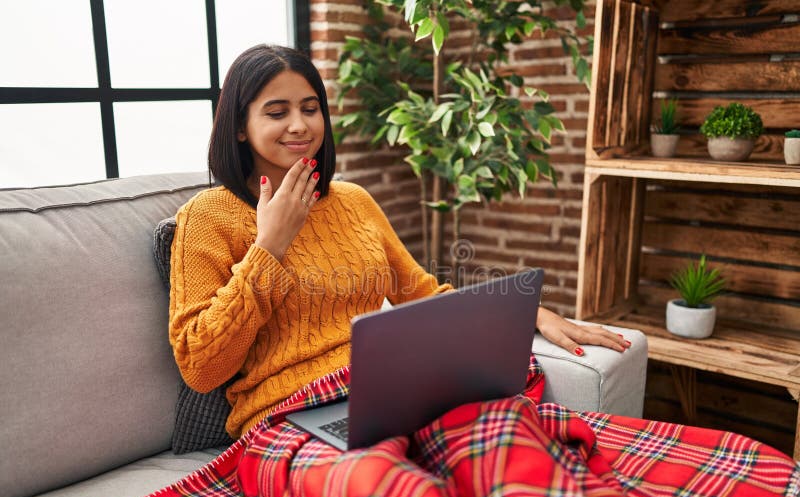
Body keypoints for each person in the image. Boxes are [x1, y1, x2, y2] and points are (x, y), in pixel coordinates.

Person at [169, 44, 630, 440]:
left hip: (385, 394)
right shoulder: (208, 217)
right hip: (287, 418)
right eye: (276, 112)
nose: (299, 125)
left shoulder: (353, 200)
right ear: (238, 126)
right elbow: (203, 366)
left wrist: (529, 313)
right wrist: (270, 247)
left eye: (310, 109)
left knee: (512, 442)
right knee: (395, 485)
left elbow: (425, 297)